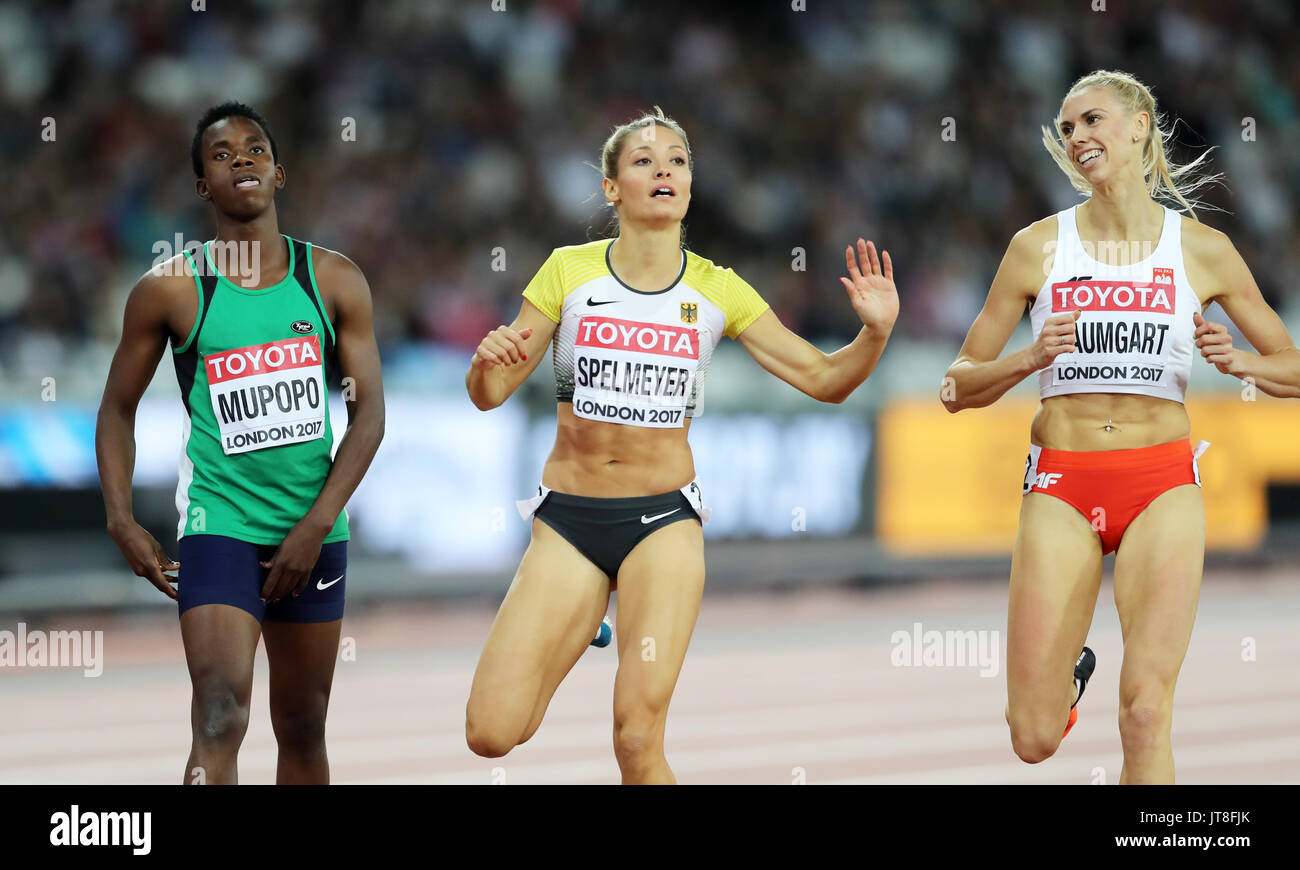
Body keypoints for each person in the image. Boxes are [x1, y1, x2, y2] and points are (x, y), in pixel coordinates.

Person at [464, 108, 899, 784]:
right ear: (612, 188)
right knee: (492, 733)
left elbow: (824, 378)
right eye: (643, 160)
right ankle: (581, 619)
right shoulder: (567, 273)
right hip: (568, 522)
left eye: (677, 160)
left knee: (637, 739)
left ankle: (594, 618)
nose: (663, 168)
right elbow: (490, 393)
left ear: (690, 187)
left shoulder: (717, 289)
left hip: (662, 524)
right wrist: (484, 361)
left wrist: (872, 335)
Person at [942, 70, 1300, 783]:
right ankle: (1065, 677)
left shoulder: (1202, 250)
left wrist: (1244, 367)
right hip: (1061, 482)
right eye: (1068, 128)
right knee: (1032, 736)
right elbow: (955, 386)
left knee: (1144, 712)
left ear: (1140, 128)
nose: (1078, 138)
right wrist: (1028, 357)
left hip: (1162, 482)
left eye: (1094, 121)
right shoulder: (1036, 248)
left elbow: (1292, 364)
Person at [96, 102, 385, 784]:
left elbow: (368, 414)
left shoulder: (333, 280)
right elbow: (116, 407)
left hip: (314, 528)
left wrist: (316, 524)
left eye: (254, 149)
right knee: (220, 714)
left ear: (279, 173)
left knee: (304, 729)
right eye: (221, 154)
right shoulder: (171, 288)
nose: (241, 160)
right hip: (219, 522)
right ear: (203, 187)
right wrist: (120, 519)